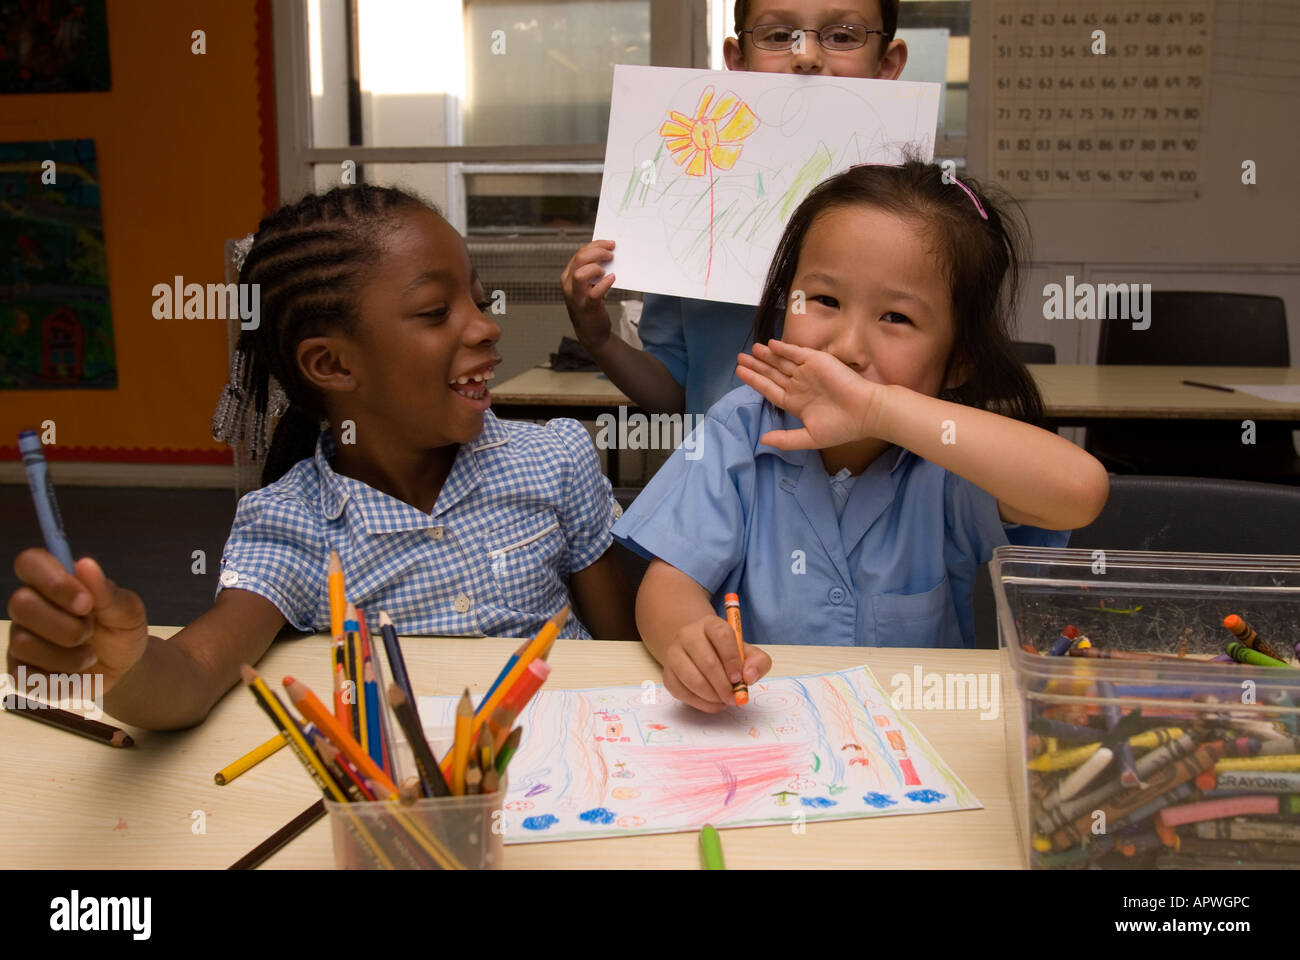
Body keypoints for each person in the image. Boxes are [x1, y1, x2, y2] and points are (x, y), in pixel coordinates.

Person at [7, 185, 637, 730]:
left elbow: (623, 649)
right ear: (333, 364)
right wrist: (122, 667)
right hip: (411, 794)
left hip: (585, 765)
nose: (485, 326)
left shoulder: (554, 458)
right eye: (436, 312)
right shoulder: (293, 524)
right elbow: (193, 673)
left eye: (477, 299)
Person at [612, 160, 1110, 713]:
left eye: (895, 317)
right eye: (824, 301)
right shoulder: (741, 427)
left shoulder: (951, 453)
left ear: (959, 359)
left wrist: (879, 409)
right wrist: (688, 636)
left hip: (920, 734)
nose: (846, 346)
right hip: (768, 727)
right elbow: (669, 587)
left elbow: (1080, 490)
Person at [561, 0, 908, 418]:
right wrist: (599, 339)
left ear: (887, 64)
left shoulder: (926, 221)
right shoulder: (691, 204)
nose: (806, 56)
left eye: (842, 36)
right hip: (720, 460)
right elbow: (675, 393)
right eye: (778, 35)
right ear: (738, 59)